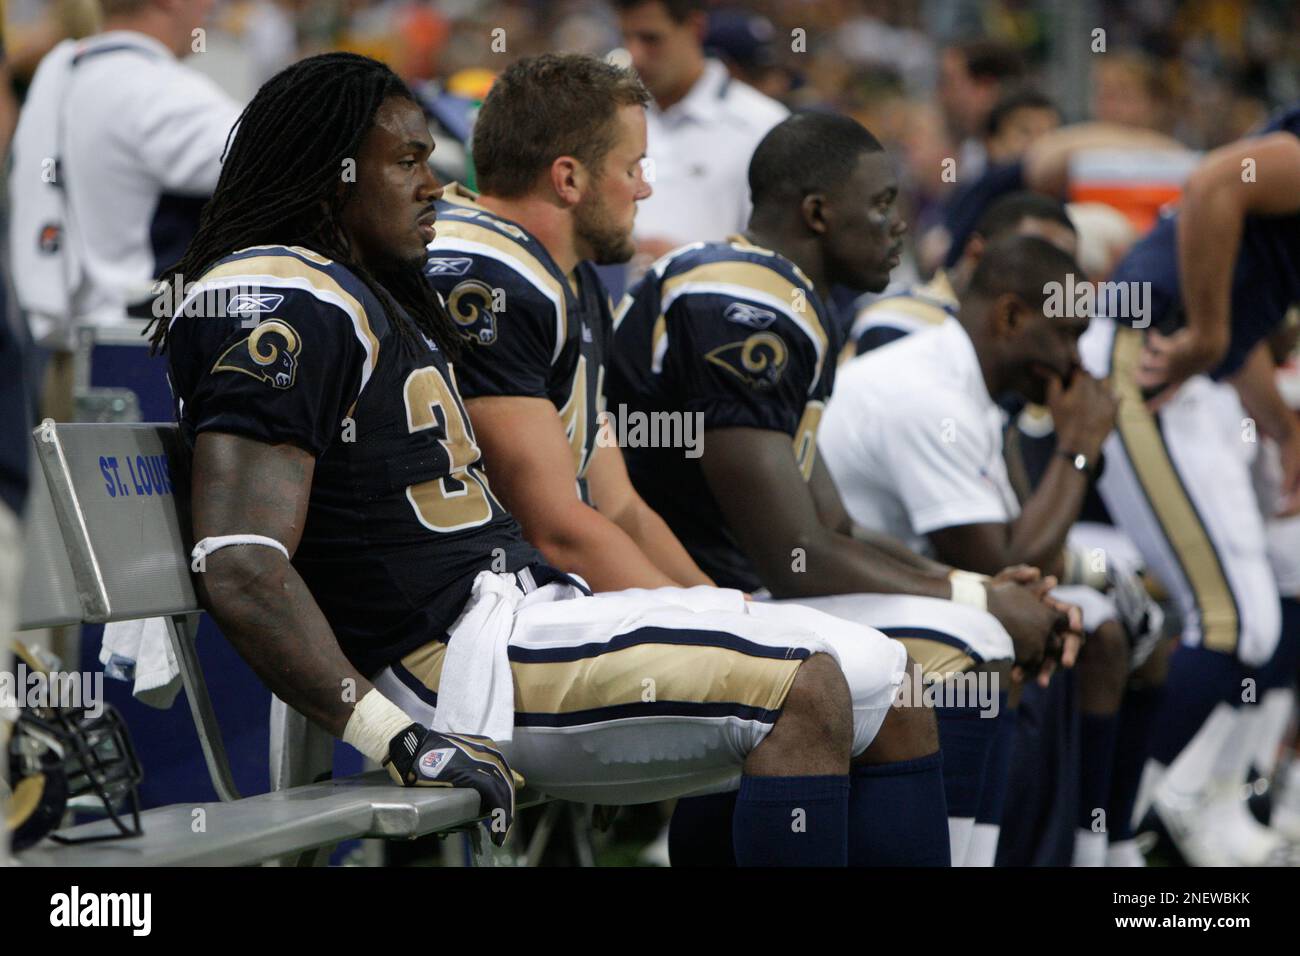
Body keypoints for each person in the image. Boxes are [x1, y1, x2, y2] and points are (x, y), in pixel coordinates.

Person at [152, 50, 946, 868]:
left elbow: (611, 501)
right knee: (804, 685)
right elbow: (241, 560)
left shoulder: (373, 288)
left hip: (516, 609)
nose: (433, 184)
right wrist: (397, 736)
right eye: (408, 162)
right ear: (334, 177)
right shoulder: (277, 294)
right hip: (454, 662)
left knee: (895, 686)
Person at [608, 111, 1083, 866]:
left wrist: (973, 583)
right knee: (969, 645)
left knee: (981, 625)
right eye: (883, 205)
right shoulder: (743, 301)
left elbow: (838, 529)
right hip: (660, 595)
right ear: (818, 212)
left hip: (721, 589)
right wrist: (982, 604)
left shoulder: (782, 292)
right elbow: (791, 555)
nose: (900, 226)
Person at [1076, 103, 1300, 864]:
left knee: (1254, 625)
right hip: (1153, 349)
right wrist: (1204, 334)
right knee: (1230, 621)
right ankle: (1097, 829)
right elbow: (1212, 187)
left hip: (1185, 363)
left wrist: (1280, 421)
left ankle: (1134, 824)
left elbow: (1241, 307)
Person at [9, 0, 239, 415]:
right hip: (143, 365)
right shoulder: (163, 90)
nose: (208, 7)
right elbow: (293, 165)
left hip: (65, 363)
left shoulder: (60, 70)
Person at [613, 0, 787, 256]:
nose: (634, 54)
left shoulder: (762, 124)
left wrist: (688, 264)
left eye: (651, 39)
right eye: (627, 38)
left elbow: (779, 251)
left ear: (695, 27)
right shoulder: (608, 117)